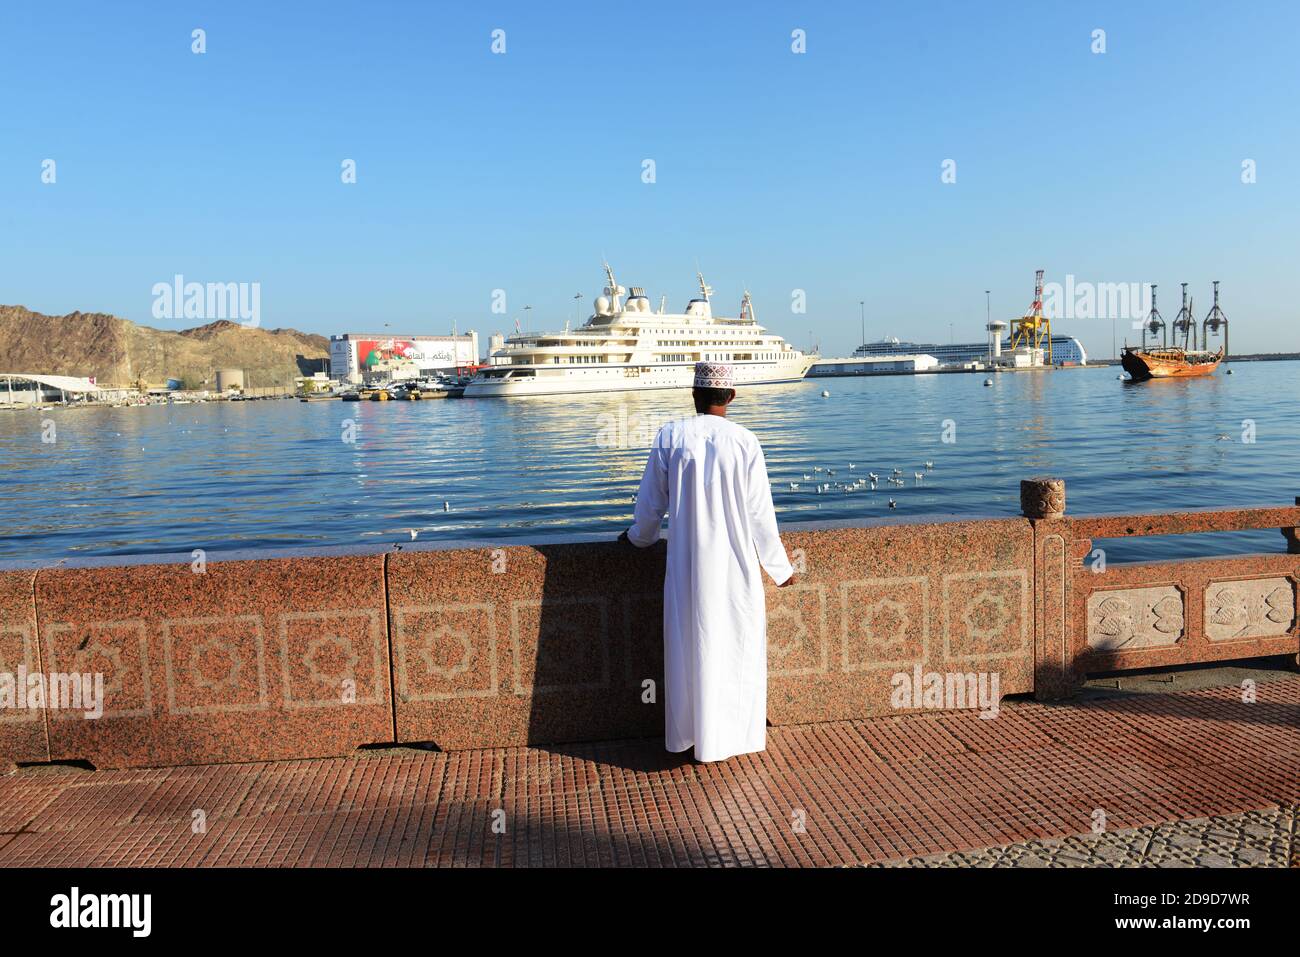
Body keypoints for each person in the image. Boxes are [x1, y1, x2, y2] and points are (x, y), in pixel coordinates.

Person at [619, 361, 795, 762]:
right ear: (731, 396)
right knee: (735, 648)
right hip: (737, 568)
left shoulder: (671, 437)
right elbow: (760, 515)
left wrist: (638, 539)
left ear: (694, 395)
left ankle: (691, 738)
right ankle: (731, 739)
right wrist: (780, 569)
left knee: (690, 648)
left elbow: (650, 506)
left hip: (686, 567)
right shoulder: (746, 441)